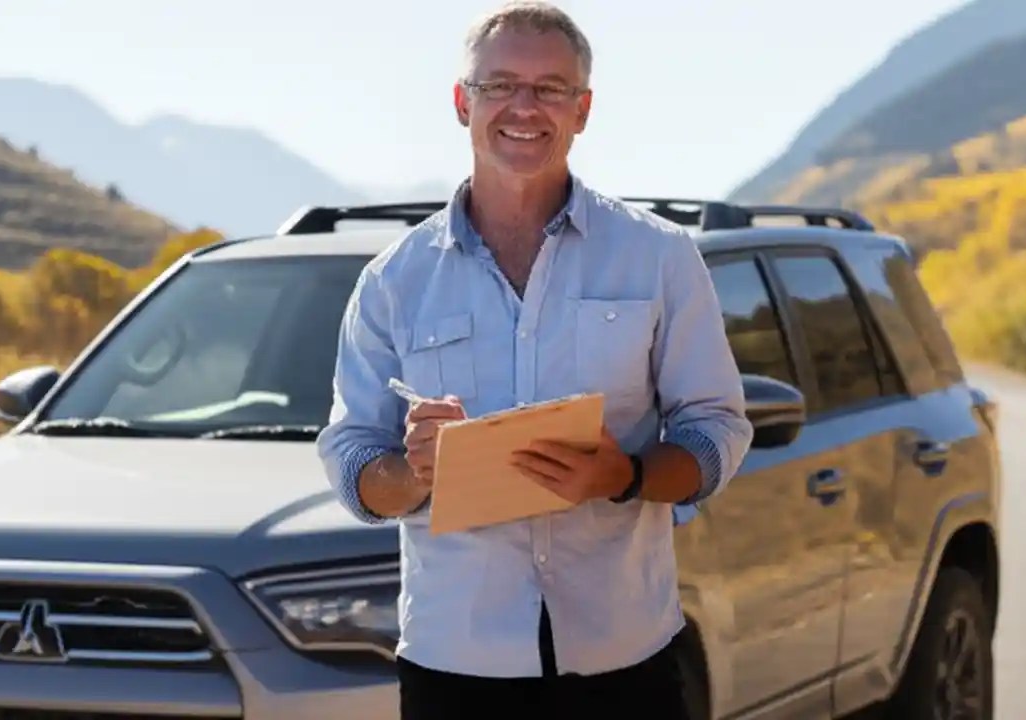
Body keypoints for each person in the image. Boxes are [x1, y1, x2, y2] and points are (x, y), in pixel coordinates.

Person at [316, 2, 752, 718]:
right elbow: (352, 457)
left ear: (582, 110)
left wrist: (628, 476)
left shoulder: (659, 256)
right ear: (464, 102)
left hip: (624, 654)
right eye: (500, 85)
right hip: (456, 662)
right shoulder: (395, 281)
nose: (525, 106)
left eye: (550, 88)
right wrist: (411, 471)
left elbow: (719, 429)